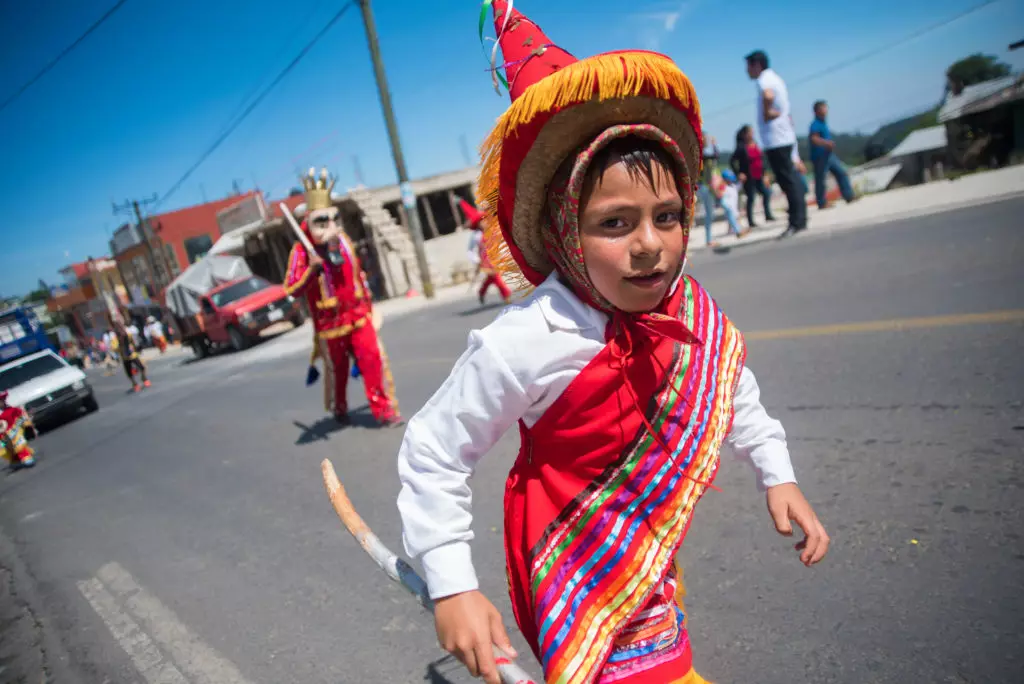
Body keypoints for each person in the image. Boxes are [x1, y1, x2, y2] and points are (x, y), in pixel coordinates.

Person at [397, 4, 830, 683]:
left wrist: (777, 471)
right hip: (575, 561)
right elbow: (434, 450)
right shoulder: (528, 336)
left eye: (667, 216)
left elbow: (728, 386)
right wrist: (452, 583)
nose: (650, 244)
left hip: (645, 554)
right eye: (615, 222)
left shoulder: (685, 305)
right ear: (566, 227)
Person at [283, 168, 402, 428]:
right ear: (310, 222)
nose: (332, 228)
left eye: (335, 220)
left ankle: (384, 411)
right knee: (338, 372)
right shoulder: (302, 252)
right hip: (330, 326)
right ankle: (339, 407)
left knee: (372, 360)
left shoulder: (344, 241)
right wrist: (311, 271)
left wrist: (369, 307)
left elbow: (358, 277)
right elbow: (291, 288)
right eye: (322, 222)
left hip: (358, 316)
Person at [746, 50, 806, 238]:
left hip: (776, 140)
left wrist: (766, 113)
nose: (747, 71)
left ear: (757, 65)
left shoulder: (765, 79)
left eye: (748, 66)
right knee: (791, 179)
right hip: (783, 137)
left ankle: (796, 221)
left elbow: (768, 95)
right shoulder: (775, 78)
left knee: (787, 180)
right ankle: (800, 218)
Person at [461, 198, 512, 305]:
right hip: (486, 262)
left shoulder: (492, 231)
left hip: (496, 259)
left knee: (491, 279)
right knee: (496, 278)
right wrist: (476, 260)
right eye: (482, 221)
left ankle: (481, 292)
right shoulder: (476, 236)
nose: (484, 223)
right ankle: (506, 294)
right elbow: (470, 251)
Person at [809, 100, 856, 209]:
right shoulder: (815, 124)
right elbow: (814, 138)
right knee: (821, 179)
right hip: (820, 156)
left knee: (841, 173)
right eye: (823, 108)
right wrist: (826, 143)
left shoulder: (823, 122)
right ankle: (822, 202)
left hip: (828, 155)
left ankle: (848, 195)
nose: (826, 110)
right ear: (817, 110)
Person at [730, 124, 775, 227]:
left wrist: (765, 173)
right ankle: (750, 220)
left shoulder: (755, 143)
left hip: (759, 174)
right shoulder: (741, 147)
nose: (752, 134)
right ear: (745, 134)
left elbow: (761, 159)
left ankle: (768, 214)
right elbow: (732, 161)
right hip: (749, 177)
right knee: (751, 197)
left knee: (766, 193)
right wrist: (738, 173)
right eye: (750, 132)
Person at [0, 391, 36, 469]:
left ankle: (26, 456)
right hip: (3, 435)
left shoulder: (12, 410)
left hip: (14, 432)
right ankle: (15, 460)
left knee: (18, 445)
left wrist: (26, 423)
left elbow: (21, 415)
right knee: (6, 448)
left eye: (1, 401)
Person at [696, 136, 720, 247]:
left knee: (708, 213)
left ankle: (709, 238)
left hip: (700, 186)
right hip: (706, 187)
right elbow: (716, 156)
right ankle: (709, 239)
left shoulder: (697, 154)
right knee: (709, 214)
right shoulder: (703, 155)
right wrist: (714, 145)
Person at [116, 322, 149, 392]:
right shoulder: (115, 338)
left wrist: (135, 349)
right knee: (129, 372)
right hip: (125, 357)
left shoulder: (128, 335)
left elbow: (133, 342)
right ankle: (135, 384)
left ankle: (144, 378)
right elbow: (114, 348)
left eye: (121, 328)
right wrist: (120, 343)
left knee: (142, 367)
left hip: (132, 355)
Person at [718, 169, 748, 238]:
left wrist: (741, 180)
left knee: (735, 219)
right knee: (732, 219)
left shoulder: (733, 186)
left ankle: (733, 230)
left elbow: (738, 186)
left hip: (734, 207)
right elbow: (721, 195)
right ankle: (738, 231)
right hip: (729, 207)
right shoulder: (724, 187)